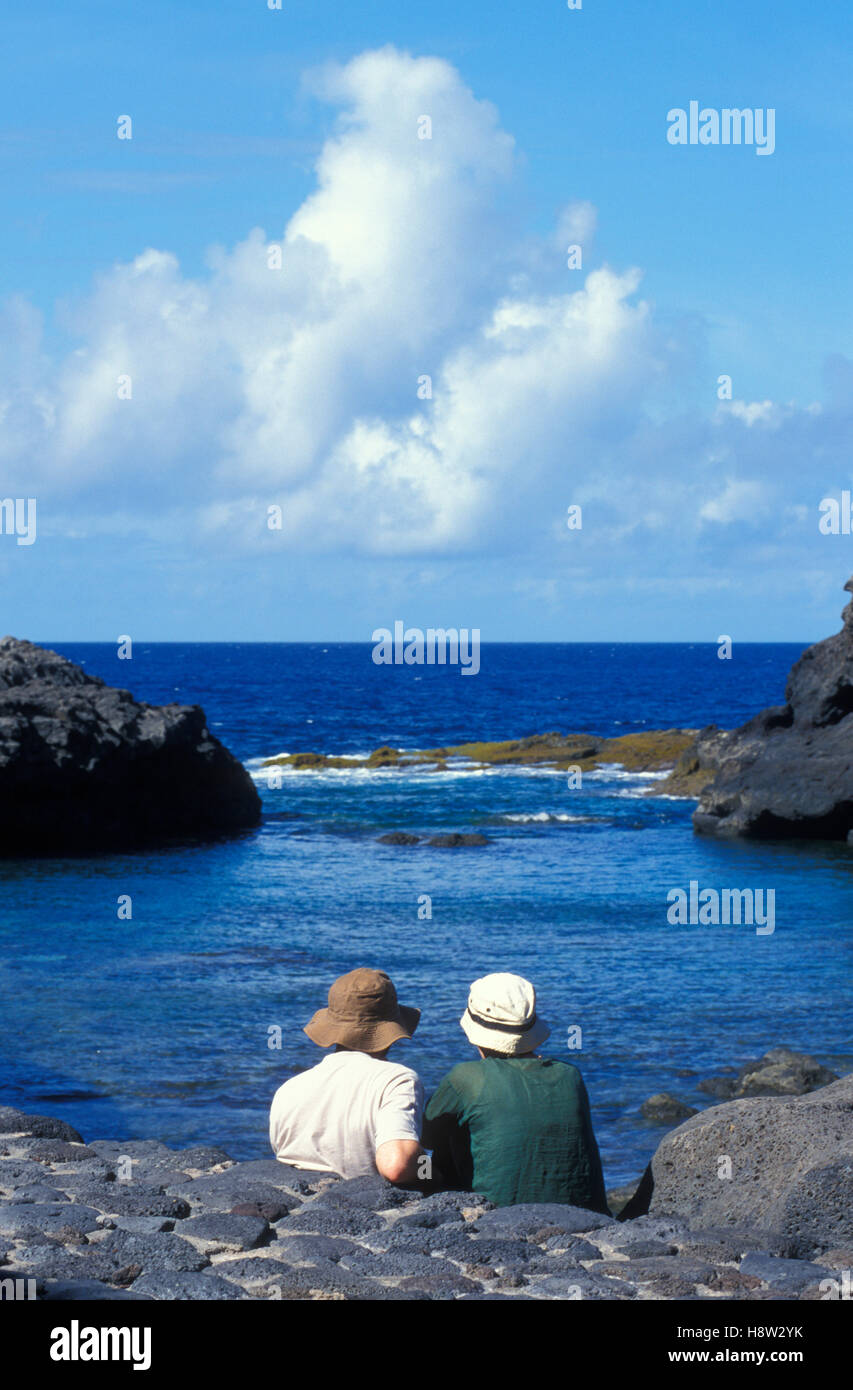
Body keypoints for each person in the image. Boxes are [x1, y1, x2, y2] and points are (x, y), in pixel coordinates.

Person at [422, 972, 609, 1211]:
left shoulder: (465, 1077)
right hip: (585, 1214)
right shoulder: (570, 1074)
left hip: (498, 1215)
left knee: (429, 1153)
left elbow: (425, 1137)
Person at [269, 966, 425, 1184]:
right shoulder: (397, 1080)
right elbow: (396, 1167)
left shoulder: (288, 1089)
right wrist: (430, 1170)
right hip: (364, 1206)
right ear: (391, 1027)